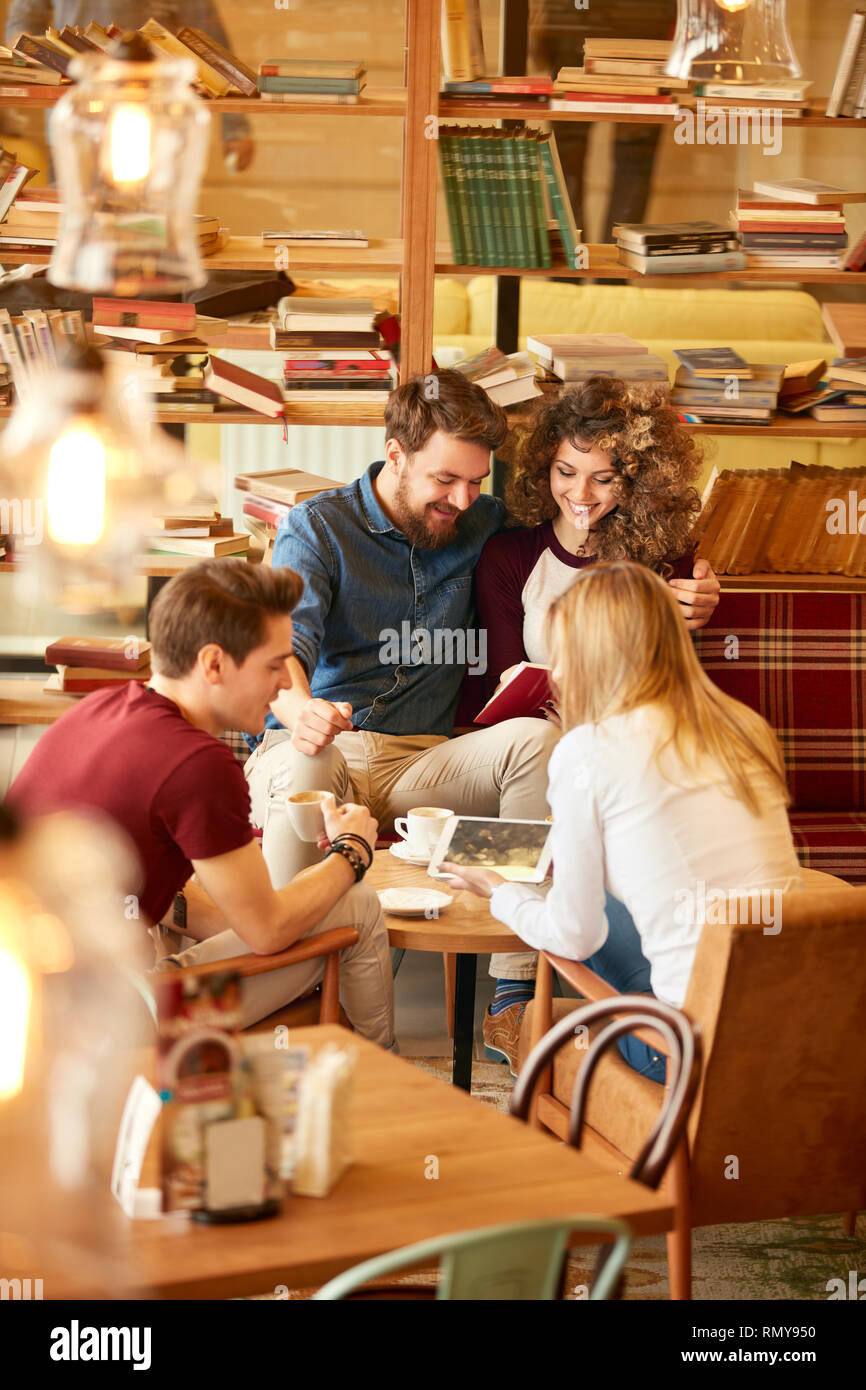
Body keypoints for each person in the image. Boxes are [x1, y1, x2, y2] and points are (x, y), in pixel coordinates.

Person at [243, 369, 561, 1029]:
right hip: (320, 749)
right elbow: (282, 648)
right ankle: (285, 981)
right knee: (307, 771)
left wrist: (685, 572)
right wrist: (302, 711)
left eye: (477, 481)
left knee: (538, 745)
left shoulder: (483, 523)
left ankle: (512, 991)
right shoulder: (318, 526)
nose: (463, 498)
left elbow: (580, 537)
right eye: (445, 480)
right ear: (396, 454)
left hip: (422, 764)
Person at [441, 560, 802, 1082]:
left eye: (565, 655)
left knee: (562, 906)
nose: (556, 674)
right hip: (798, 1024)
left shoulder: (588, 750)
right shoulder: (744, 728)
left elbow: (573, 937)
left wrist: (496, 888)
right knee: (595, 890)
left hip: (682, 1051)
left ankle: (520, 1026)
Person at [6, 560, 395, 1045]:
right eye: (274, 665)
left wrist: (269, 907)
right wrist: (352, 851)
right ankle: (387, 1078)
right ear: (213, 664)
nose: (284, 686)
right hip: (115, 1022)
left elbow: (147, 892)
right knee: (355, 903)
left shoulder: (97, 710)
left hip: (28, 1007)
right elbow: (268, 932)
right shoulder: (198, 762)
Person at [470, 375, 721, 1069]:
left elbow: (674, 681)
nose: (580, 495)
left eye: (604, 478)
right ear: (543, 465)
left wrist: (698, 608)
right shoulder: (510, 555)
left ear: (637, 480)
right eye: (564, 472)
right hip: (537, 740)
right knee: (543, 748)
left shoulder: (667, 559)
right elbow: (504, 676)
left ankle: (541, 979)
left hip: (627, 746)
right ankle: (512, 993)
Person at [5, 0, 254, 171]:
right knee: (76, 215)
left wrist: (235, 127)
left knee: (149, 219)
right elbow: (21, 21)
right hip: (78, 118)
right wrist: (29, 48)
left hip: (153, 116)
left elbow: (208, 39)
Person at [529, 0, 678, 248]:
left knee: (578, 158)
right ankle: (602, 267)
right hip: (620, 26)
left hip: (605, 24)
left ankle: (577, 267)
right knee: (622, 159)